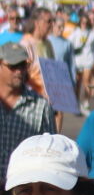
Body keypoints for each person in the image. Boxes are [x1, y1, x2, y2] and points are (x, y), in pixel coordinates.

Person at [0, 42, 55, 177]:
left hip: (20, 188)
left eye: (23, 65)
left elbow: (50, 154)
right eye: (13, 66)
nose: (19, 71)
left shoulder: (40, 106)